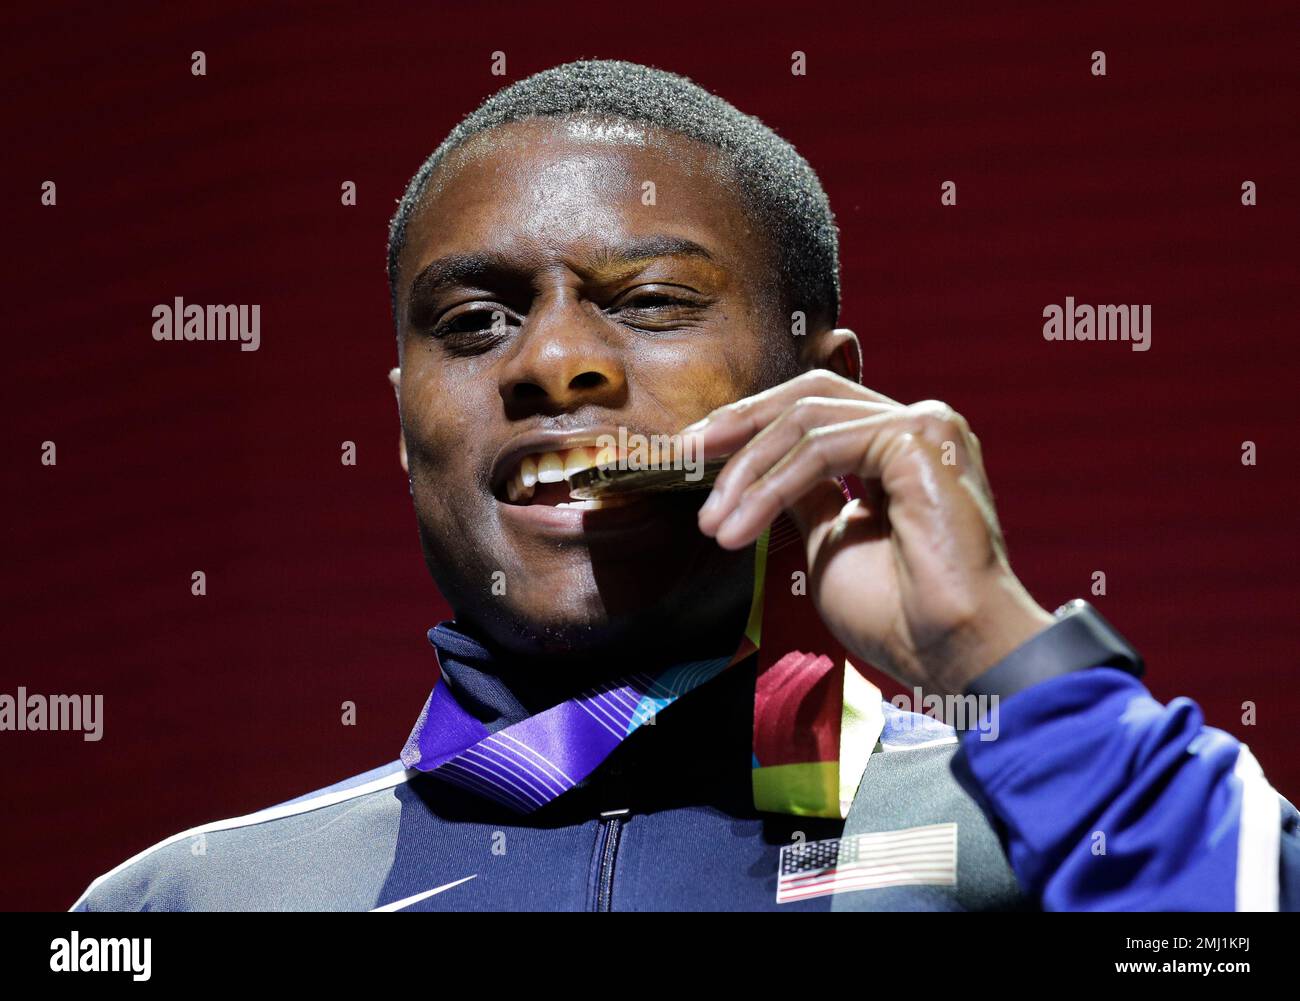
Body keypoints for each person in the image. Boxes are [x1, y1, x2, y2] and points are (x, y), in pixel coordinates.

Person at [72, 59, 1298, 912]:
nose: (553, 362)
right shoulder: (183, 900)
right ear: (400, 426)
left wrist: (992, 649)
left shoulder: (1021, 849)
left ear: (821, 390)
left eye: (651, 302)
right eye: (474, 318)